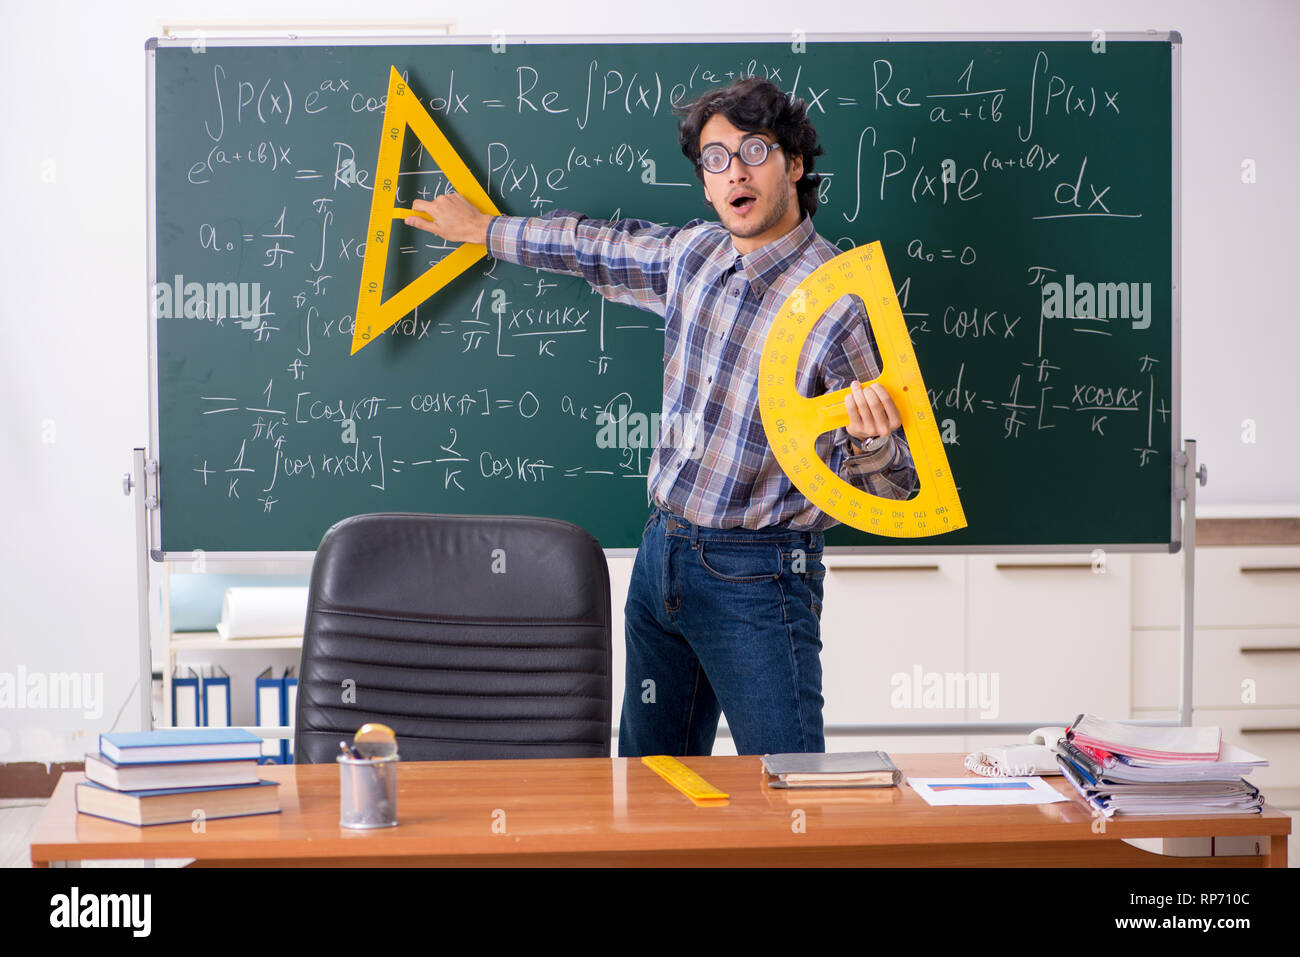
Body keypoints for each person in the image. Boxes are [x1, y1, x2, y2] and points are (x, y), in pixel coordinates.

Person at [405, 76, 917, 757]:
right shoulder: (695, 257)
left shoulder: (839, 303)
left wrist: (873, 440)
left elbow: (897, 489)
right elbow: (591, 246)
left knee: (794, 790)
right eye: (715, 159)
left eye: (754, 151)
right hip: (661, 558)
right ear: (706, 185)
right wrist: (485, 232)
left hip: (759, 578)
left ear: (795, 164)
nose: (735, 171)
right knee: (650, 789)